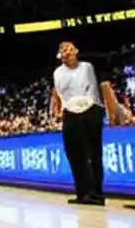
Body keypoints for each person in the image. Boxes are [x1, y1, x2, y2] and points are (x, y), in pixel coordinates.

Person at [50, 41, 120, 206]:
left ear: (76, 51)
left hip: (91, 110)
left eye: (70, 49)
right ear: (60, 56)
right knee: (74, 155)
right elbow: (57, 93)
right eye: (63, 50)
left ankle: (96, 194)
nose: (68, 52)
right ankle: (82, 193)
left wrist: (112, 112)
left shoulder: (89, 67)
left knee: (94, 155)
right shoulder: (57, 73)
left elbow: (104, 86)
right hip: (70, 114)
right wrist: (58, 111)